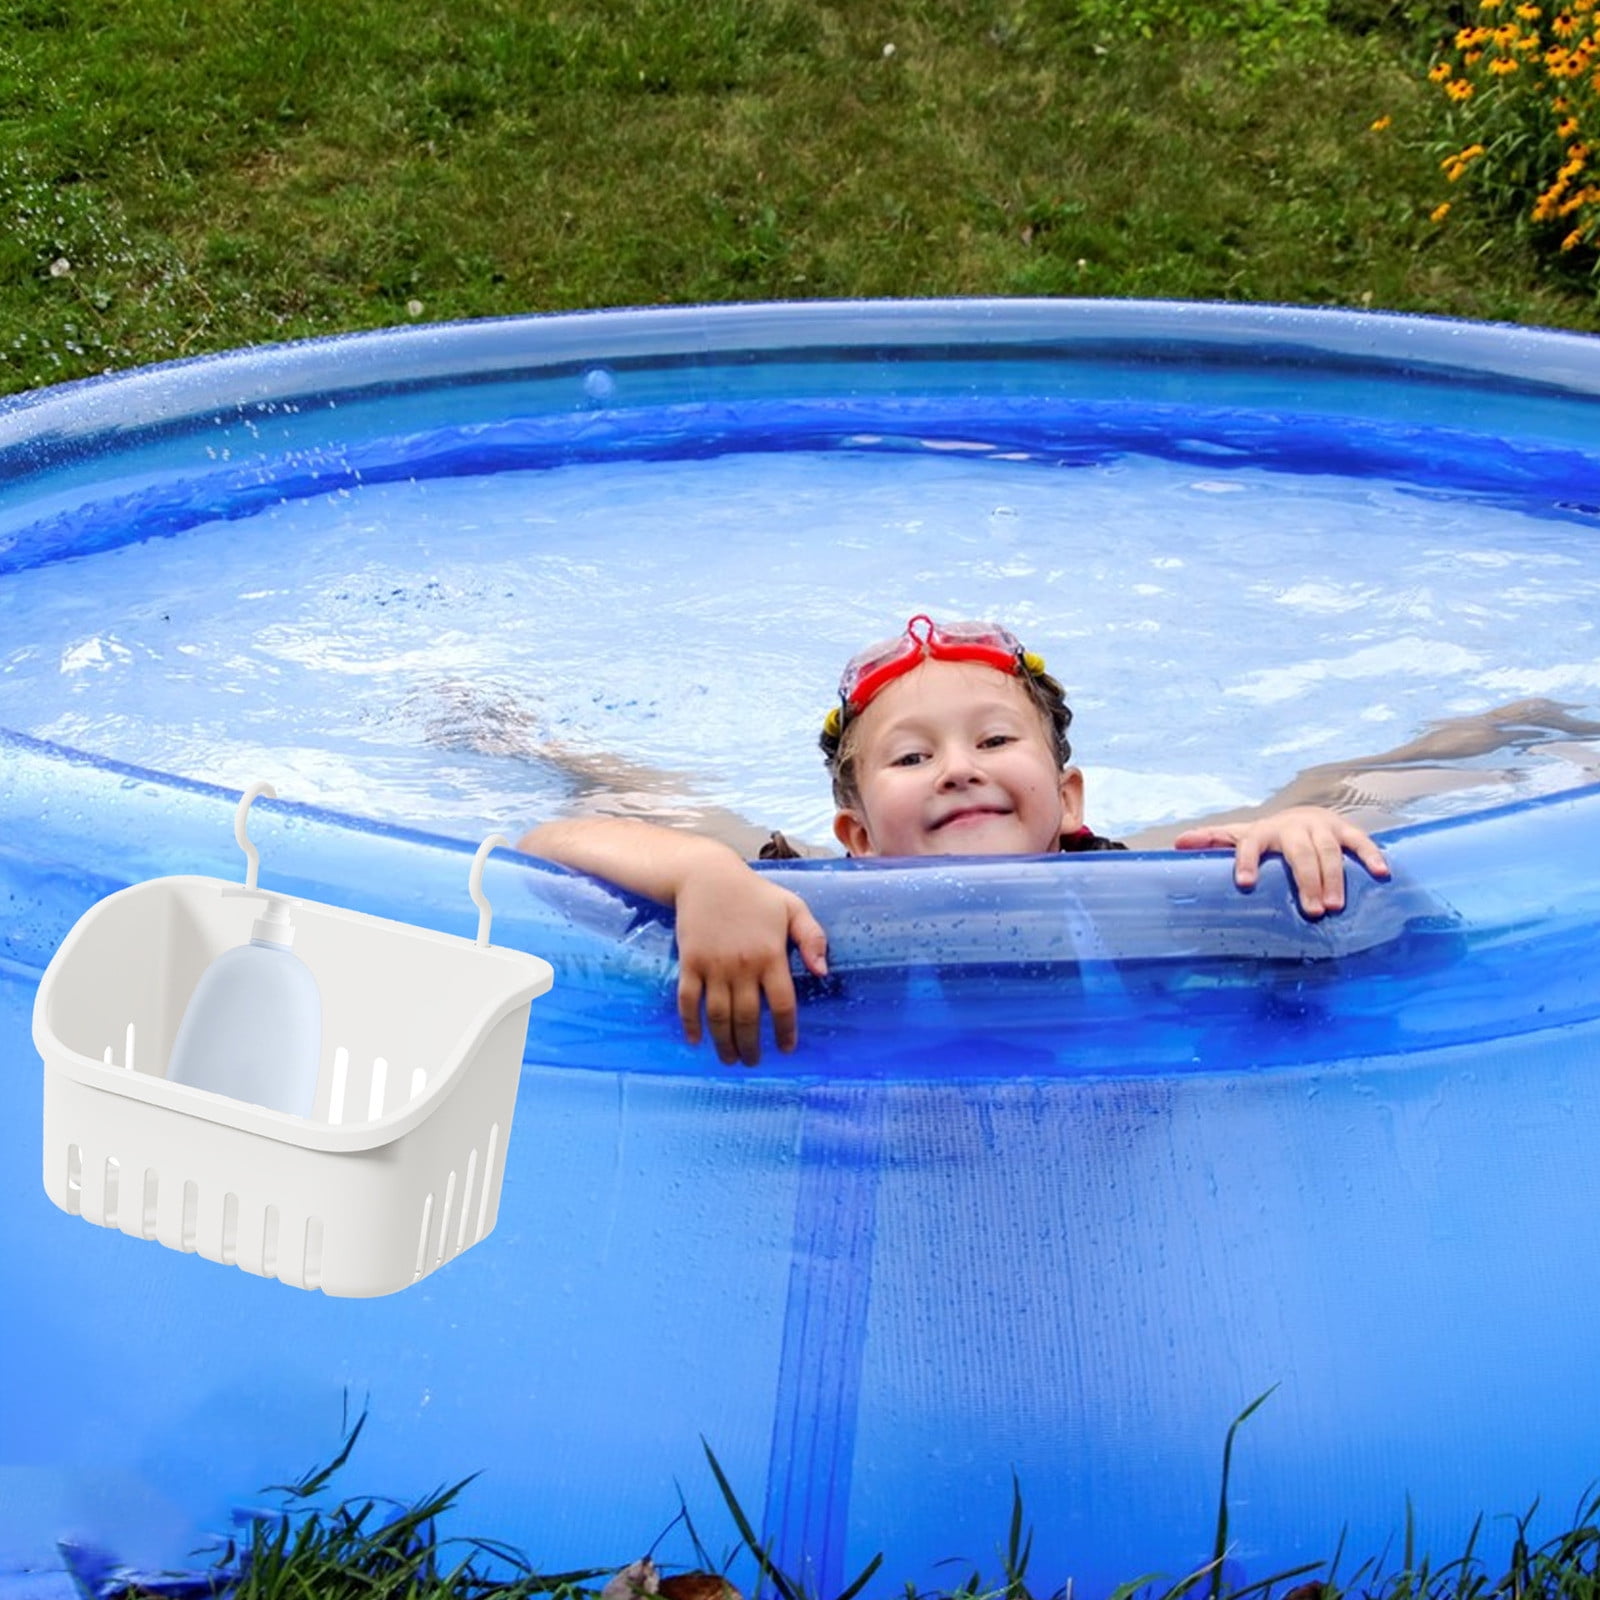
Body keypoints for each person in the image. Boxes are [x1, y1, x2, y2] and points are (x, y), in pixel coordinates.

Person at [520, 615, 1395, 1068]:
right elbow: (550, 843)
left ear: (1067, 800)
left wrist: (1298, 836)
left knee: (1290, 805)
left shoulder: (1138, 882)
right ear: (857, 837)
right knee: (662, 806)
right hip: (784, 882)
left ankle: (1483, 735)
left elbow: (1300, 850)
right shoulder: (793, 906)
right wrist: (703, 874)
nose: (958, 769)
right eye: (912, 755)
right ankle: (518, 733)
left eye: (995, 741)